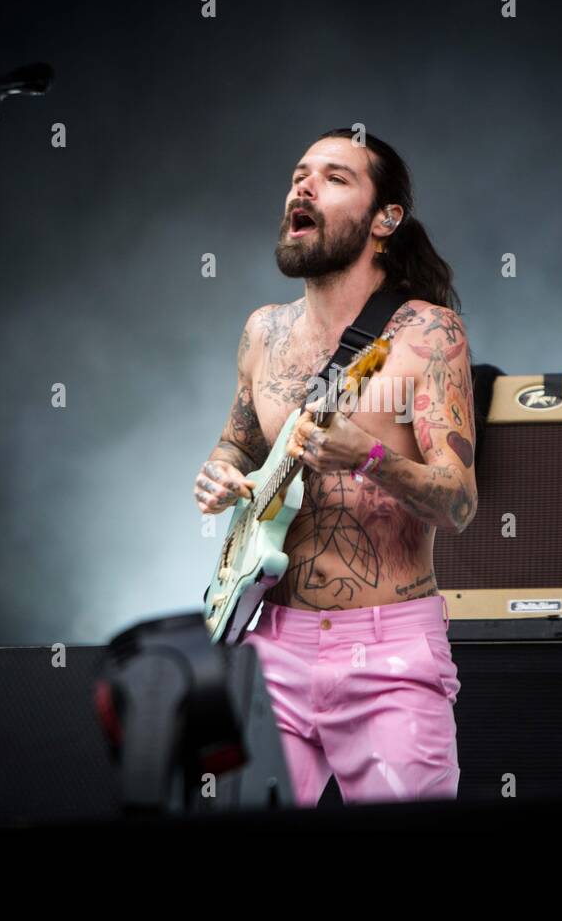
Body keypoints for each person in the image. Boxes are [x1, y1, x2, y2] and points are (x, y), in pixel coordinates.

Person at [194, 129, 477, 805]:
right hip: (273, 646)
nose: (303, 186)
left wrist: (371, 456)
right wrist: (218, 474)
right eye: (299, 174)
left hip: (389, 654)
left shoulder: (426, 336)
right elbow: (239, 445)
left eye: (334, 176)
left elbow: (460, 504)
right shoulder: (262, 331)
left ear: (386, 220)